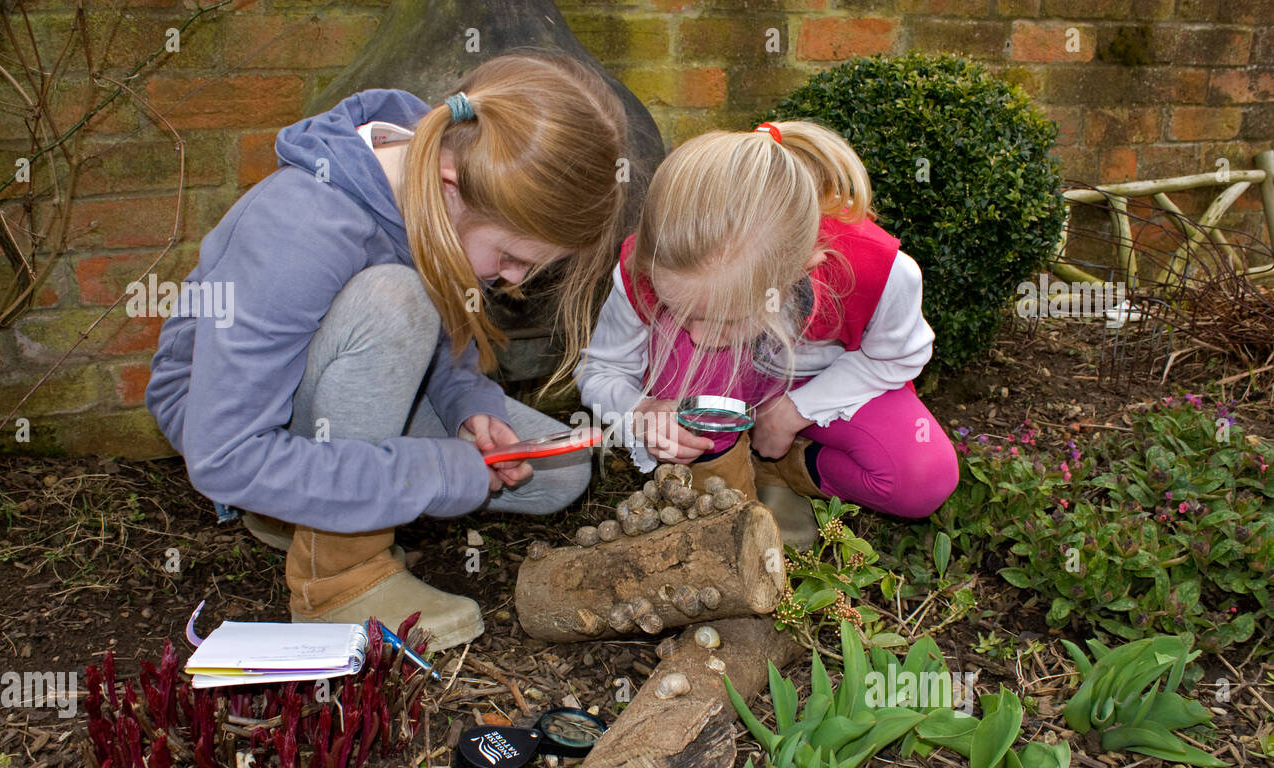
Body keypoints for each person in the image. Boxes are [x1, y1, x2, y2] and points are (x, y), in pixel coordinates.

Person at [146, 54, 628, 648]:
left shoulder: (443, 174)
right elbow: (225, 453)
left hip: (345, 387)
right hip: (232, 425)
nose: (510, 283)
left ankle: (291, 507)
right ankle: (340, 577)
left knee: (558, 470)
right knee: (397, 297)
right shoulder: (300, 229)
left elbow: (437, 343)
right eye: (509, 258)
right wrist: (436, 471)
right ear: (452, 185)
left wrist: (470, 405)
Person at [576, 120, 958, 545]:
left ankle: (785, 469)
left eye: (726, 317)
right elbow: (601, 371)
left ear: (802, 270)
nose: (699, 336)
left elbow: (898, 356)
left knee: (922, 476)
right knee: (694, 360)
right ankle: (722, 496)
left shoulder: (881, 271)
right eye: (680, 310)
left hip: (821, 382)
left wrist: (795, 410)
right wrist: (640, 411)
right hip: (727, 386)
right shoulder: (649, 263)